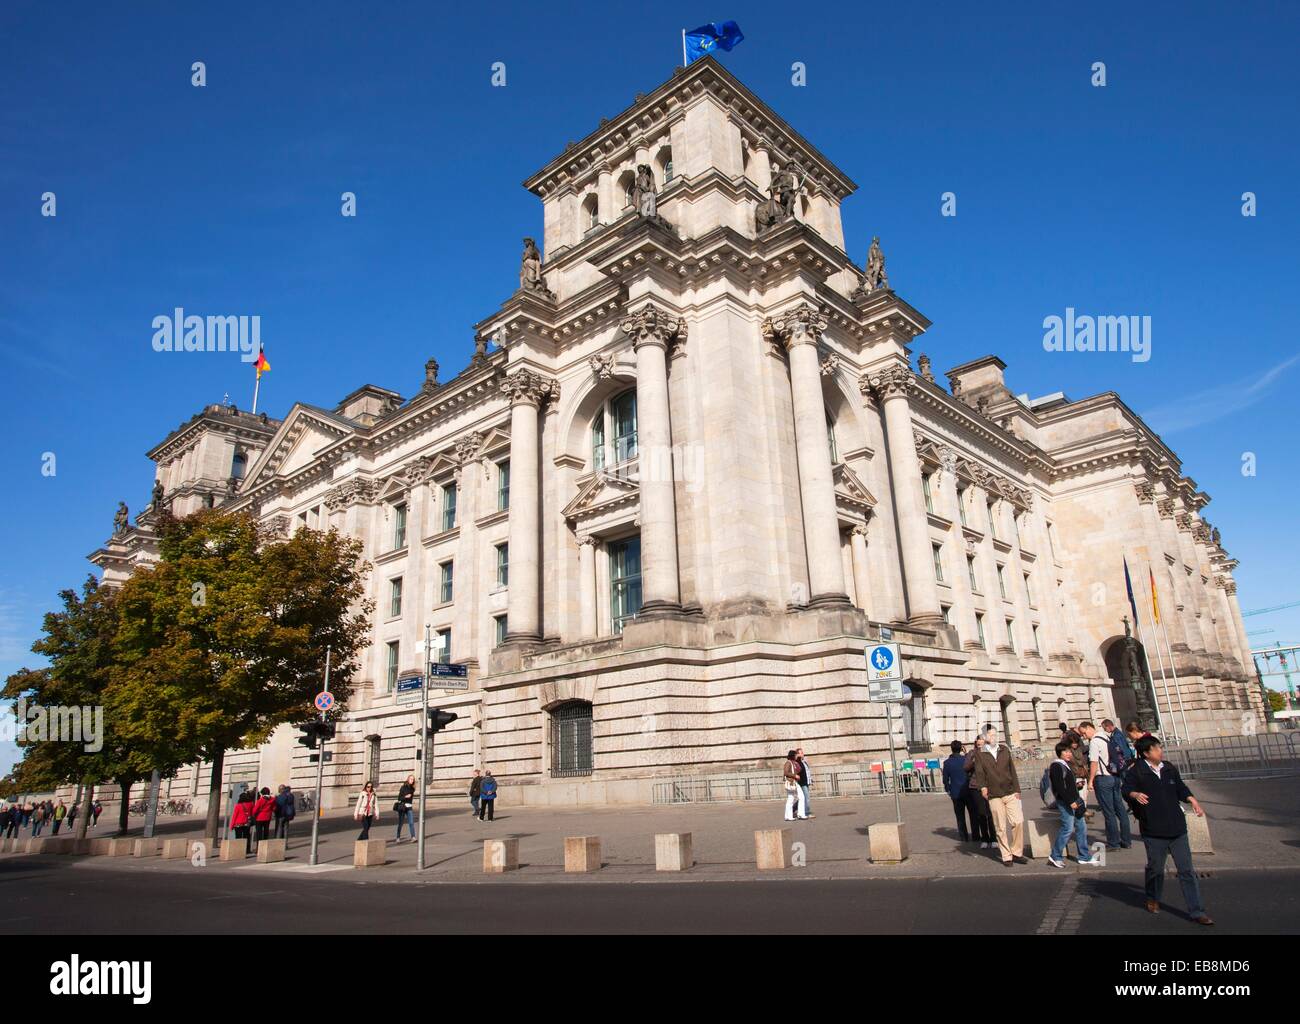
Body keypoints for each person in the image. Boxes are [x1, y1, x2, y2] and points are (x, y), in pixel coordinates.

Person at [1122, 736, 1212, 924]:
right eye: (1156, 749)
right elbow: (1126, 789)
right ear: (1146, 753)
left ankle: (1197, 911)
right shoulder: (1137, 771)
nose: (1160, 751)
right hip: (1153, 829)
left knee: (1187, 870)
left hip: (1177, 828)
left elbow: (1180, 787)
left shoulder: (1169, 768)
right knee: (1156, 869)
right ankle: (1153, 896)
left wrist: (1192, 800)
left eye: (1159, 747)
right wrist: (1135, 794)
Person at [972, 725, 1026, 866]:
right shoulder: (980, 753)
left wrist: (1017, 789)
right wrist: (983, 787)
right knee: (1000, 827)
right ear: (984, 737)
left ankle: (1017, 851)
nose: (993, 737)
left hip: (1010, 791)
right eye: (990, 735)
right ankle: (1006, 855)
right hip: (994, 794)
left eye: (995, 734)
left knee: (1018, 821)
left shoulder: (1004, 749)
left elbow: (1012, 770)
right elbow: (979, 772)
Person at [1048, 739, 1101, 867]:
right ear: (1060, 753)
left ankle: (1084, 856)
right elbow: (1059, 787)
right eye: (1065, 752)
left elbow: (1066, 784)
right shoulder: (1056, 766)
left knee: (1081, 827)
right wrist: (1070, 801)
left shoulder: (1065, 765)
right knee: (1067, 828)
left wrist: (1076, 785)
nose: (1069, 754)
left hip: (1074, 800)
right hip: (1067, 801)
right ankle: (1055, 855)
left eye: (1069, 751)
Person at [1091, 719, 1133, 850]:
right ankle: (1126, 840)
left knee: (1109, 812)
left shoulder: (1094, 741)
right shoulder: (1108, 737)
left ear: (1088, 729)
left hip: (1103, 778)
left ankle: (1113, 843)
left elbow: (1094, 762)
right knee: (1120, 809)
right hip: (1115, 776)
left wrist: (1090, 780)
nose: (1083, 736)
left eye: (1083, 733)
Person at [963, 735, 996, 849]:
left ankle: (994, 838)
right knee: (981, 813)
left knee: (991, 812)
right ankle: (985, 838)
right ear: (976, 742)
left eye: (982, 740)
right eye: (978, 740)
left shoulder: (991, 752)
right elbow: (966, 768)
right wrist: (973, 761)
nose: (980, 742)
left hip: (990, 785)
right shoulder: (972, 753)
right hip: (976, 786)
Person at [942, 740, 972, 842]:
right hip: (968, 790)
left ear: (951, 749)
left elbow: (945, 779)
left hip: (955, 792)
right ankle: (976, 834)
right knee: (973, 814)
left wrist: (948, 790)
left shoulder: (947, 763)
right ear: (961, 749)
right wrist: (966, 753)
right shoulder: (965, 759)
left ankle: (963, 836)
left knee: (960, 816)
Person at [782, 750, 808, 821]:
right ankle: (790, 816)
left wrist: (799, 759)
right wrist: (795, 776)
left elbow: (800, 769)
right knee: (791, 798)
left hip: (794, 782)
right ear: (793, 755)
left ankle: (793, 815)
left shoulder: (794, 762)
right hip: (791, 782)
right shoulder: (788, 763)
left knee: (799, 797)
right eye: (796, 755)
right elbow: (786, 772)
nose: (797, 756)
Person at [395, 775, 417, 842]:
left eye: (413, 779)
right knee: (401, 823)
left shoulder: (412, 788)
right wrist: (405, 797)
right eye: (410, 779)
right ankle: (398, 837)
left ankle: (413, 837)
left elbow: (411, 798)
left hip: (409, 807)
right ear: (408, 779)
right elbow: (399, 798)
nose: (412, 780)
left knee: (411, 822)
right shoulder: (403, 787)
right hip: (402, 807)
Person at [794, 747, 814, 819]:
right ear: (798, 755)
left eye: (803, 752)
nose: (803, 754)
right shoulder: (798, 762)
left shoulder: (804, 762)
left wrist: (810, 780)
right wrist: (798, 756)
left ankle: (793, 809)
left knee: (802, 798)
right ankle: (806, 812)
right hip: (802, 783)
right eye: (801, 753)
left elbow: (807, 772)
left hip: (806, 782)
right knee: (806, 797)